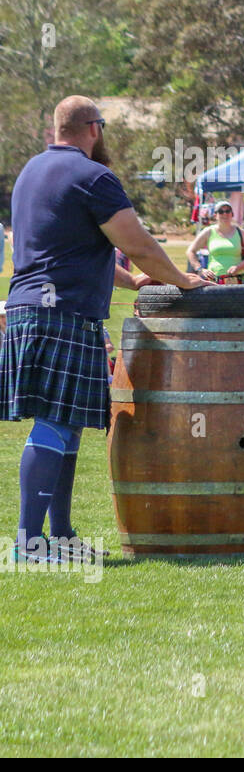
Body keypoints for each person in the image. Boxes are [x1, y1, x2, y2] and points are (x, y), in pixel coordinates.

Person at [2, 95, 205, 562]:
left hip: (28, 310)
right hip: (63, 315)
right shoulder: (95, 177)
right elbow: (139, 243)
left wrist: (131, 279)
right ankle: (29, 543)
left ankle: (62, 535)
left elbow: (64, 245)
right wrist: (182, 279)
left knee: (67, 426)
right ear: (93, 128)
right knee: (54, 421)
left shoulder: (30, 174)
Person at [186, 200, 244, 283]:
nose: (225, 214)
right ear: (215, 215)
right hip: (215, 280)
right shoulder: (208, 231)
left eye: (227, 211)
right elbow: (190, 251)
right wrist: (200, 269)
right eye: (221, 212)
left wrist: (238, 267)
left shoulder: (240, 232)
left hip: (238, 279)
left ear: (232, 214)